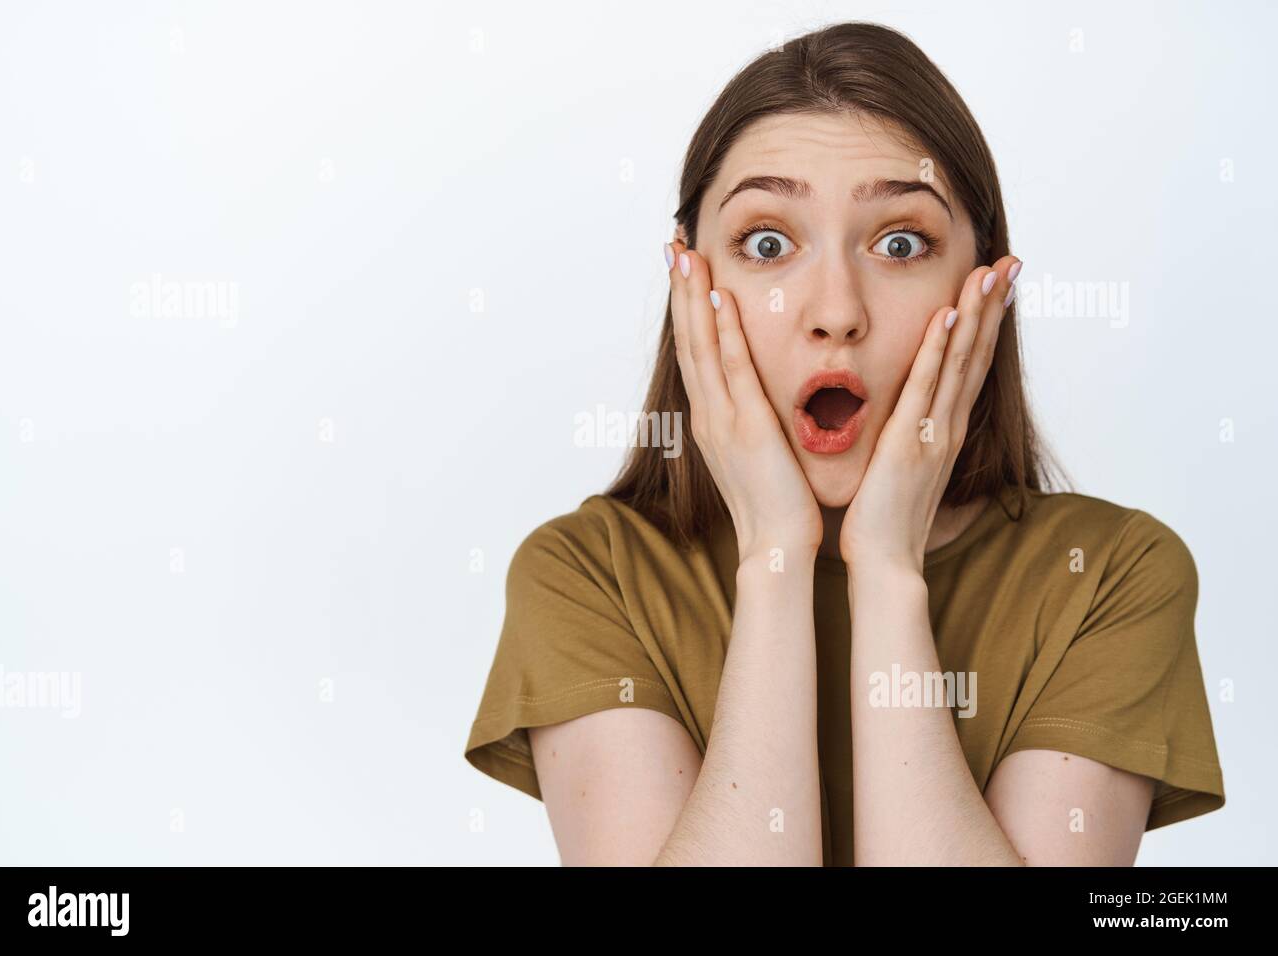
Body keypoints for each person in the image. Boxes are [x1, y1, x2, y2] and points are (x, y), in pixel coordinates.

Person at [463, 21, 1224, 866]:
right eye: (767, 243)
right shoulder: (587, 576)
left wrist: (889, 571)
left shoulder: (1112, 577)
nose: (835, 310)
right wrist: (777, 561)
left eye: (901, 244)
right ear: (691, 285)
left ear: (986, 289)